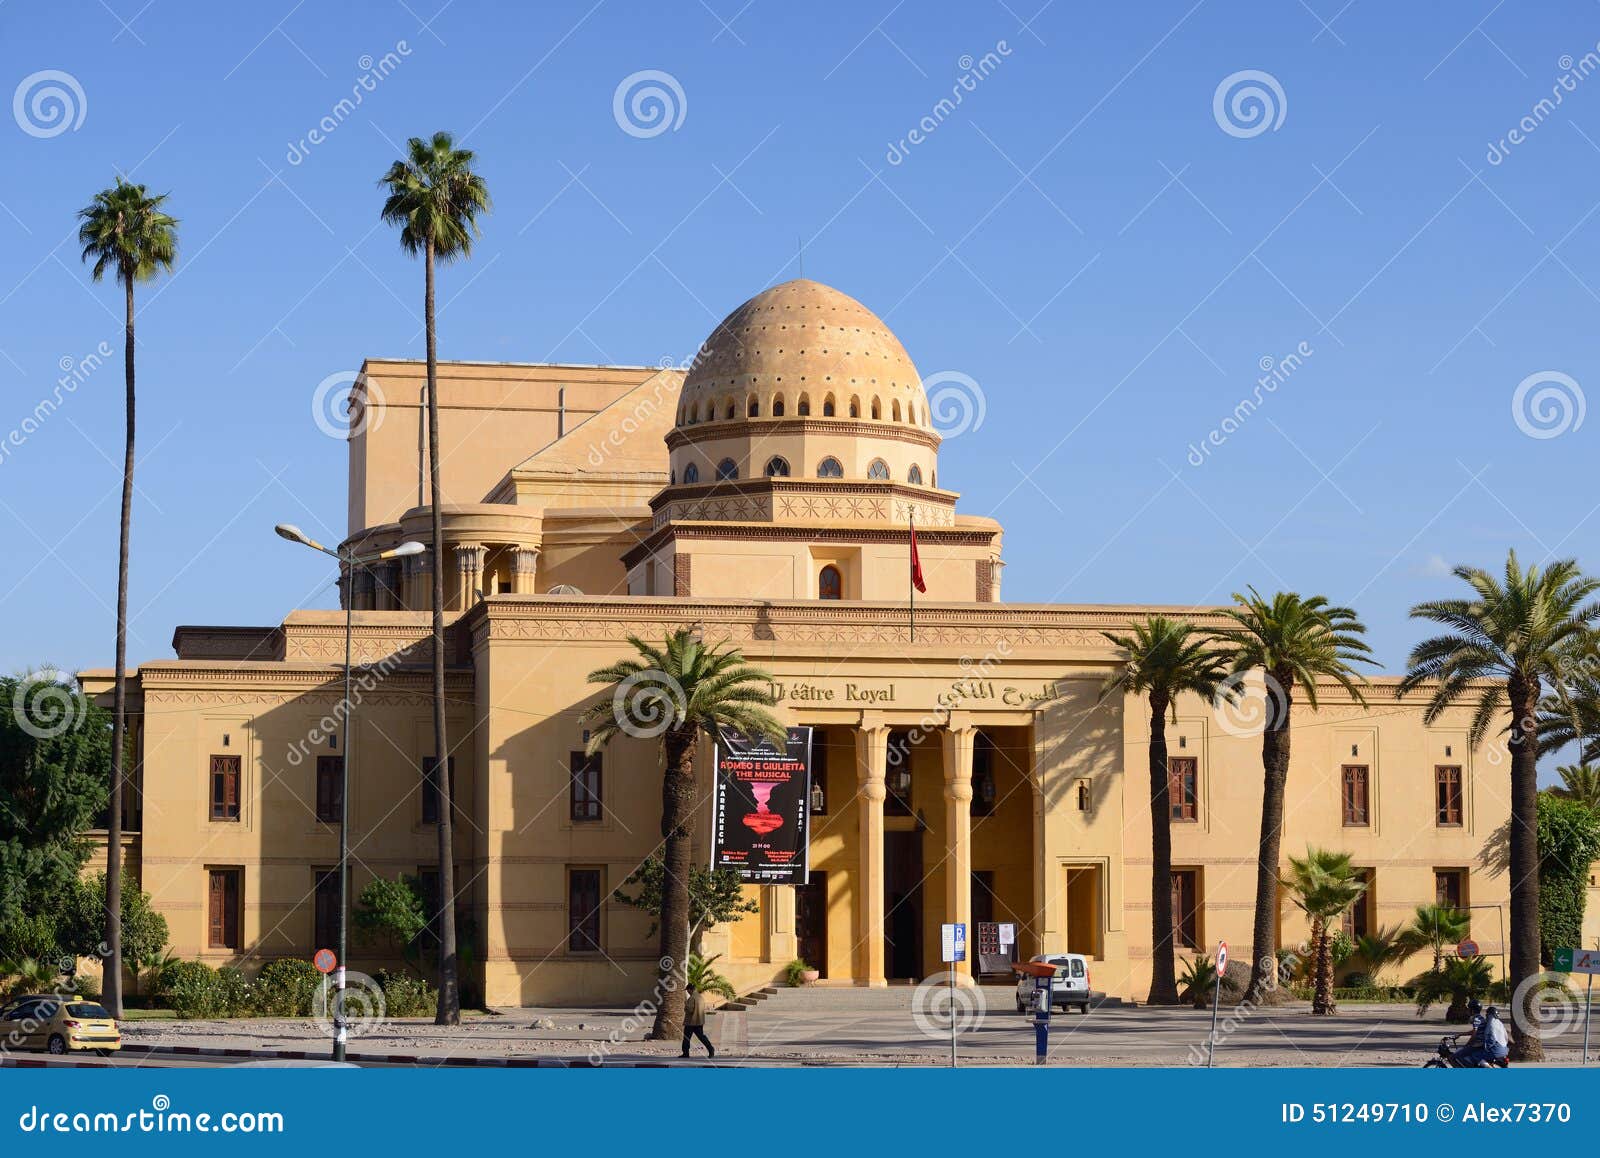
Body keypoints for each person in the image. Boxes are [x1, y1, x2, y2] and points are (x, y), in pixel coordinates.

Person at [680, 983, 714, 1059]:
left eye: (688, 990)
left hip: (691, 1022)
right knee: (701, 1037)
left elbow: (690, 1010)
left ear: (690, 990)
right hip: (699, 1021)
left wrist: (685, 1004)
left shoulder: (692, 998)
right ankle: (711, 1049)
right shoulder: (700, 997)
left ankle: (685, 1053)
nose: (687, 992)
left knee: (686, 1038)